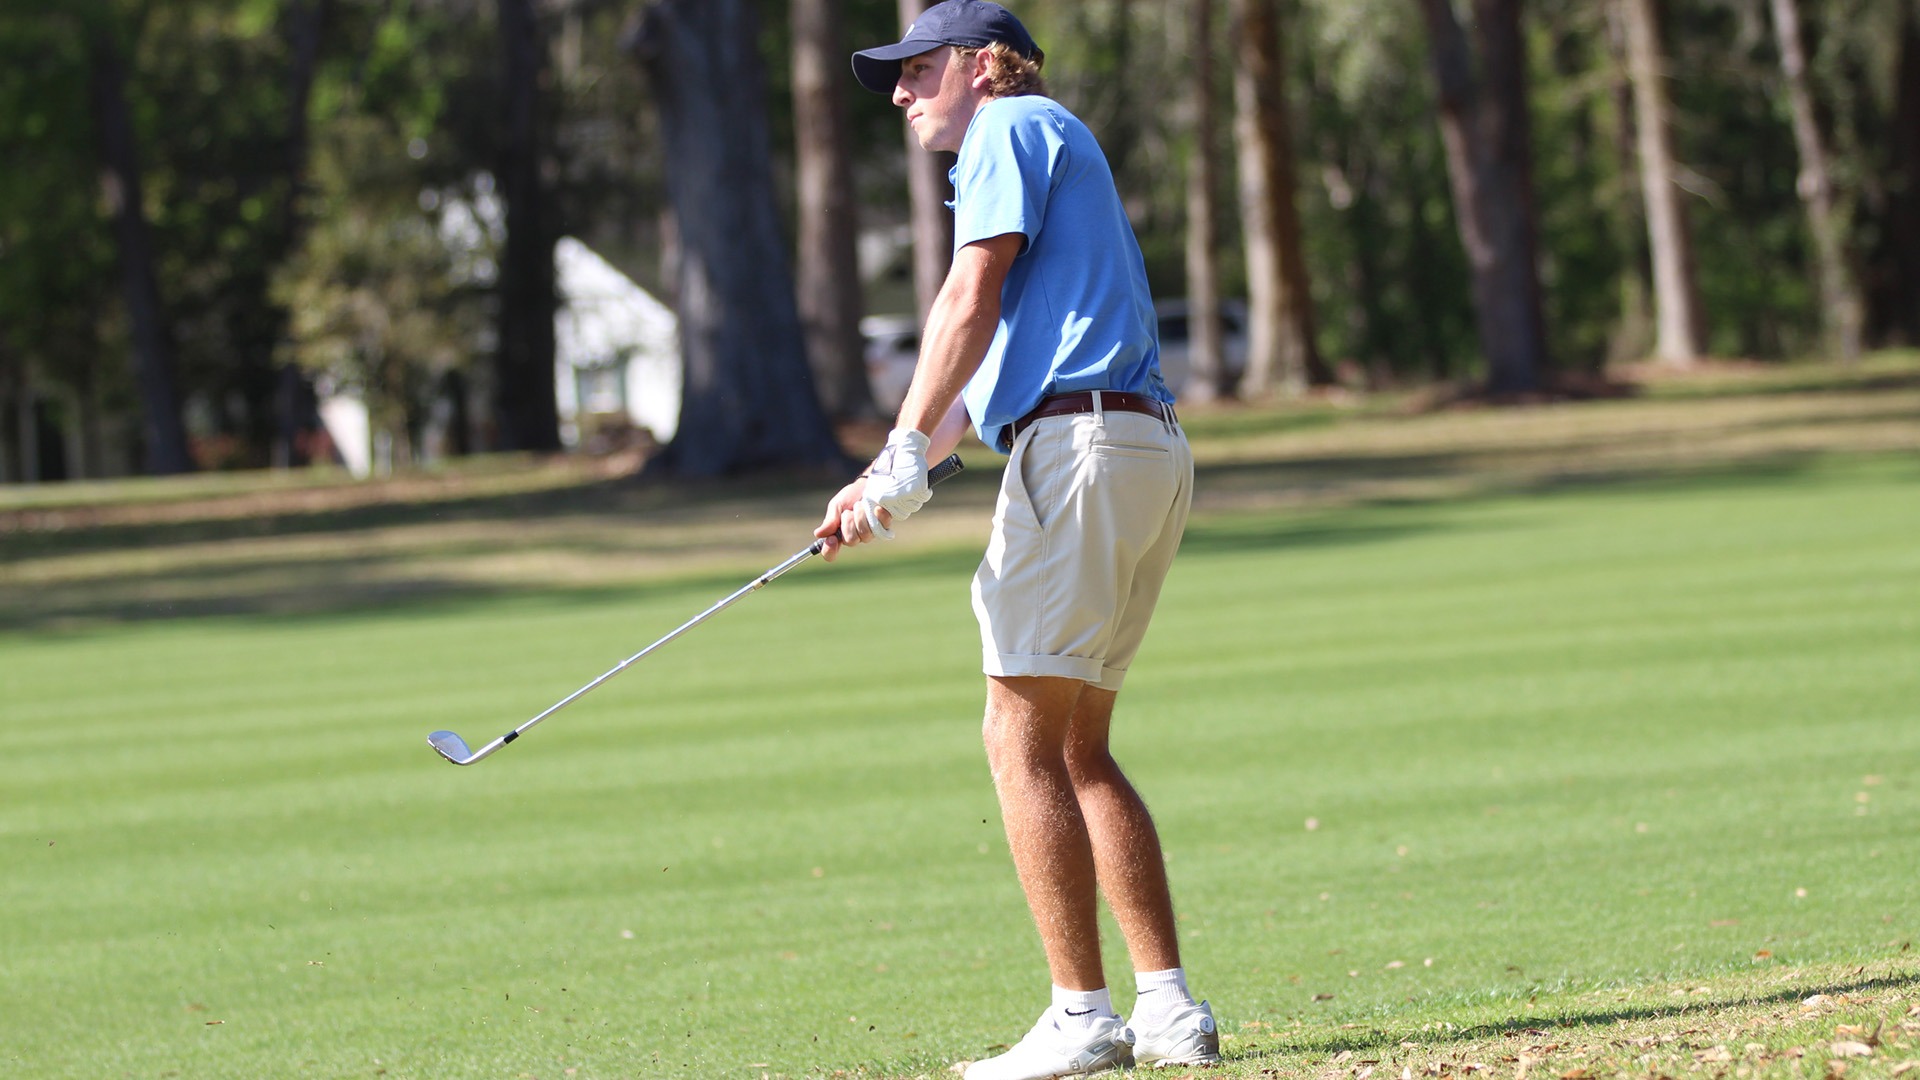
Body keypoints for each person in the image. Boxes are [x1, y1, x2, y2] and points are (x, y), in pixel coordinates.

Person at [815, 3, 1219, 1078]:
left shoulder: (1007, 128)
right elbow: (984, 362)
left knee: (1017, 739)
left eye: (912, 71)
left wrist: (902, 446)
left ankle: (1084, 1019)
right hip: (1137, 449)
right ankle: (1169, 1010)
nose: (899, 94)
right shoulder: (1040, 146)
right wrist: (884, 478)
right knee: (1077, 747)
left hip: (1082, 450)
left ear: (974, 64)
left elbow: (967, 289)